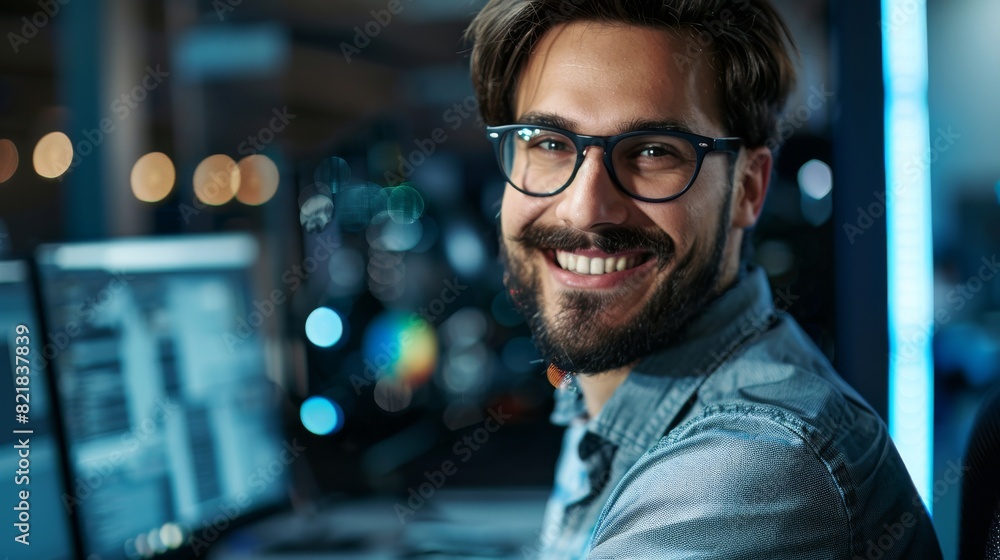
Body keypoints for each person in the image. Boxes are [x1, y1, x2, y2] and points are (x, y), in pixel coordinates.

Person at [464, 0, 943, 557]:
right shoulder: (608, 394)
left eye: (651, 151)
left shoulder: (755, 465)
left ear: (748, 189)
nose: (584, 208)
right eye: (548, 143)